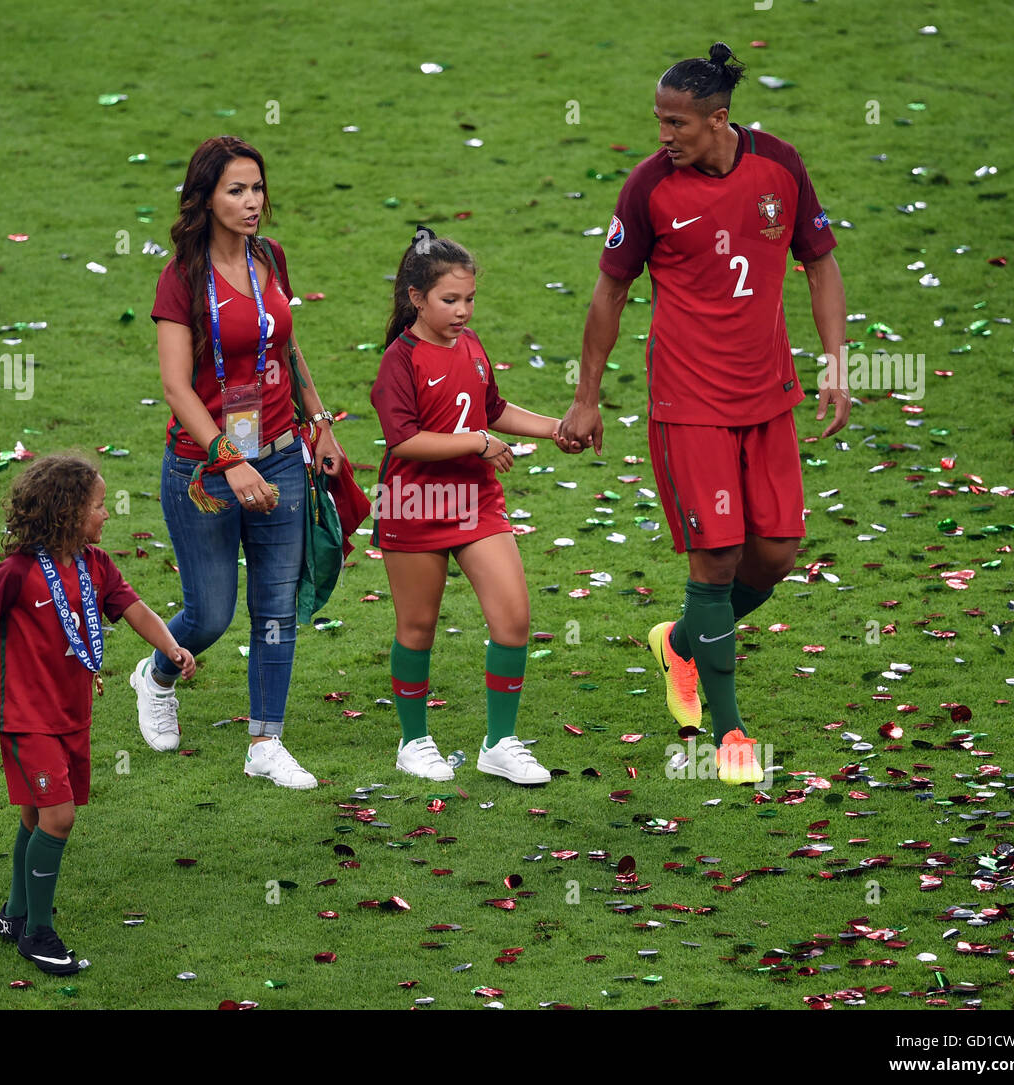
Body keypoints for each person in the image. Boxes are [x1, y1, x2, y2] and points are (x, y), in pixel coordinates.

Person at [557, 43, 850, 785]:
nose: (664, 135)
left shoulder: (779, 166)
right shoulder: (649, 188)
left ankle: (681, 640)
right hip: (688, 403)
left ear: (718, 119)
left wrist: (837, 359)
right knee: (715, 558)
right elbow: (609, 293)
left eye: (677, 122)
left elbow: (819, 261)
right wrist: (587, 397)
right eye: (659, 120)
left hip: (767, 396)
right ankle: (731, 733)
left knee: (777, 551)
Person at [129, 135, 343, 791]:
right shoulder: (182, 279)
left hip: (280, 455)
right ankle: (158, 673)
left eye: (257, 189)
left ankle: (266, 742)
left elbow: (287, 341)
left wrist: (319, 419)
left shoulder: (268, 257)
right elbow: (176, 387)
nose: (253, 203)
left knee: (275, 607)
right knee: (213, 612)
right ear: (206, 199)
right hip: (204, 473)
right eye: (236, 191)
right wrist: (230, 460)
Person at [0, 454, 195, 975]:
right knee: (59, 817)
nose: (106, 515)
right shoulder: (16, 573)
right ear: (67, 512)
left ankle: (17, 913)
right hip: (25, 717)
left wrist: (171, 647)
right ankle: (38, 935)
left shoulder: (96, 565)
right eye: (98, 506)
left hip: (73, 716)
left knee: (35, 815)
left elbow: (135, 609)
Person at [371, 227, 566, 785]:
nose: (462, 311)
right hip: (415, 502)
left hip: (476, 501)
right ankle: (414, 741)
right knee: (418, 627)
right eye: (449, 301)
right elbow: (404, 440)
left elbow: (493, 407)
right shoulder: (400, 361)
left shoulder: (472, 345)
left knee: (513, 619)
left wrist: (555, 429)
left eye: (469, 299)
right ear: (417, 299)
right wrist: (477, 443)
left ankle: (500, 742)